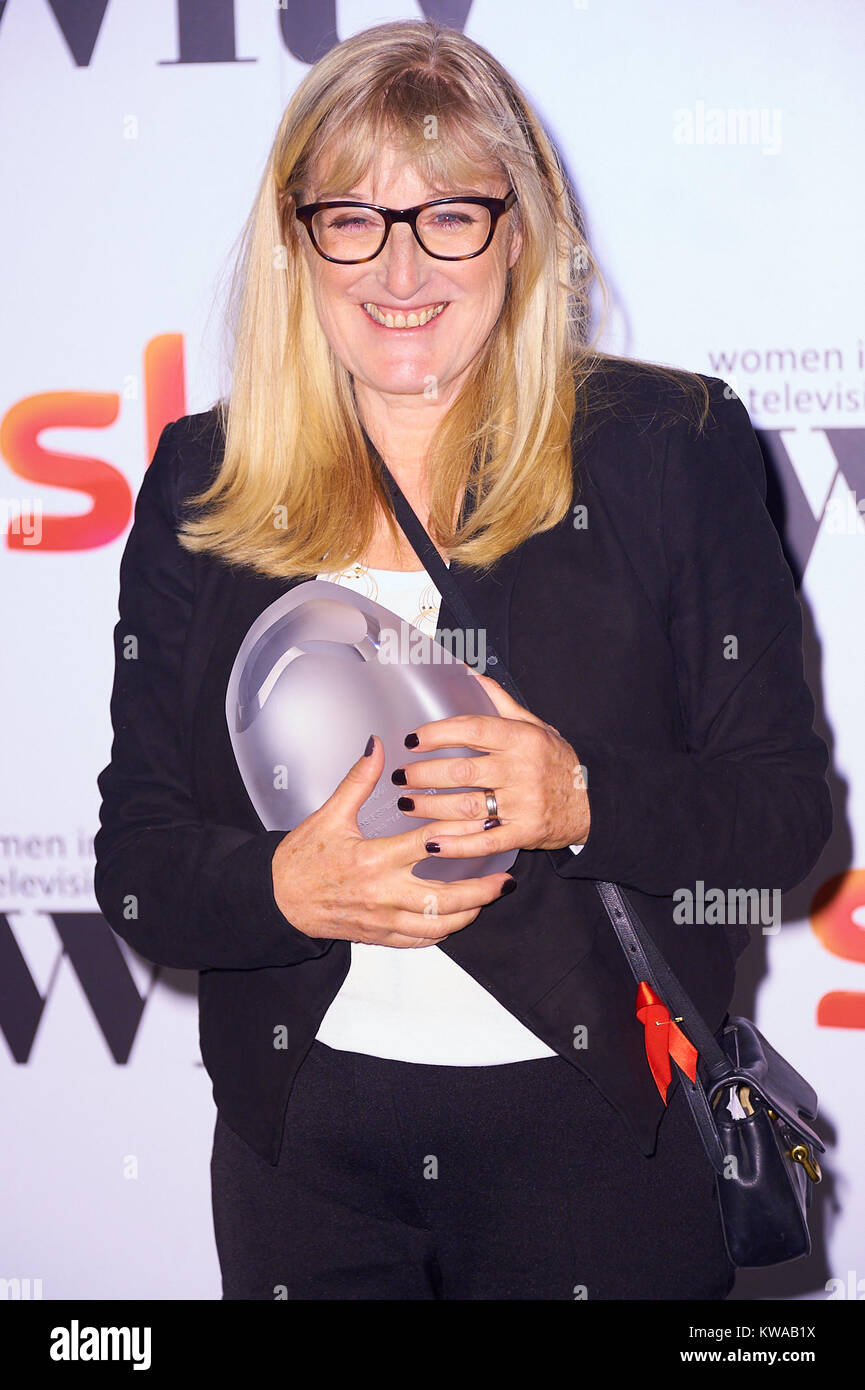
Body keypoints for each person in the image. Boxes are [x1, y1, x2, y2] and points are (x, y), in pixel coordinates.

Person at [94, 19, 832, 1301]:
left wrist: (581, 797)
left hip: (601, 1146)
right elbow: (137, 863)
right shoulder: (201, 480)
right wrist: (283, 886)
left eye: (449, 216)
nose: (401, 267)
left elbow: (782, 826)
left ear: (519, 232)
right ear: (296, 240)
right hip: (301, 1153)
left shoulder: (665, 448)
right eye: (354, 219)